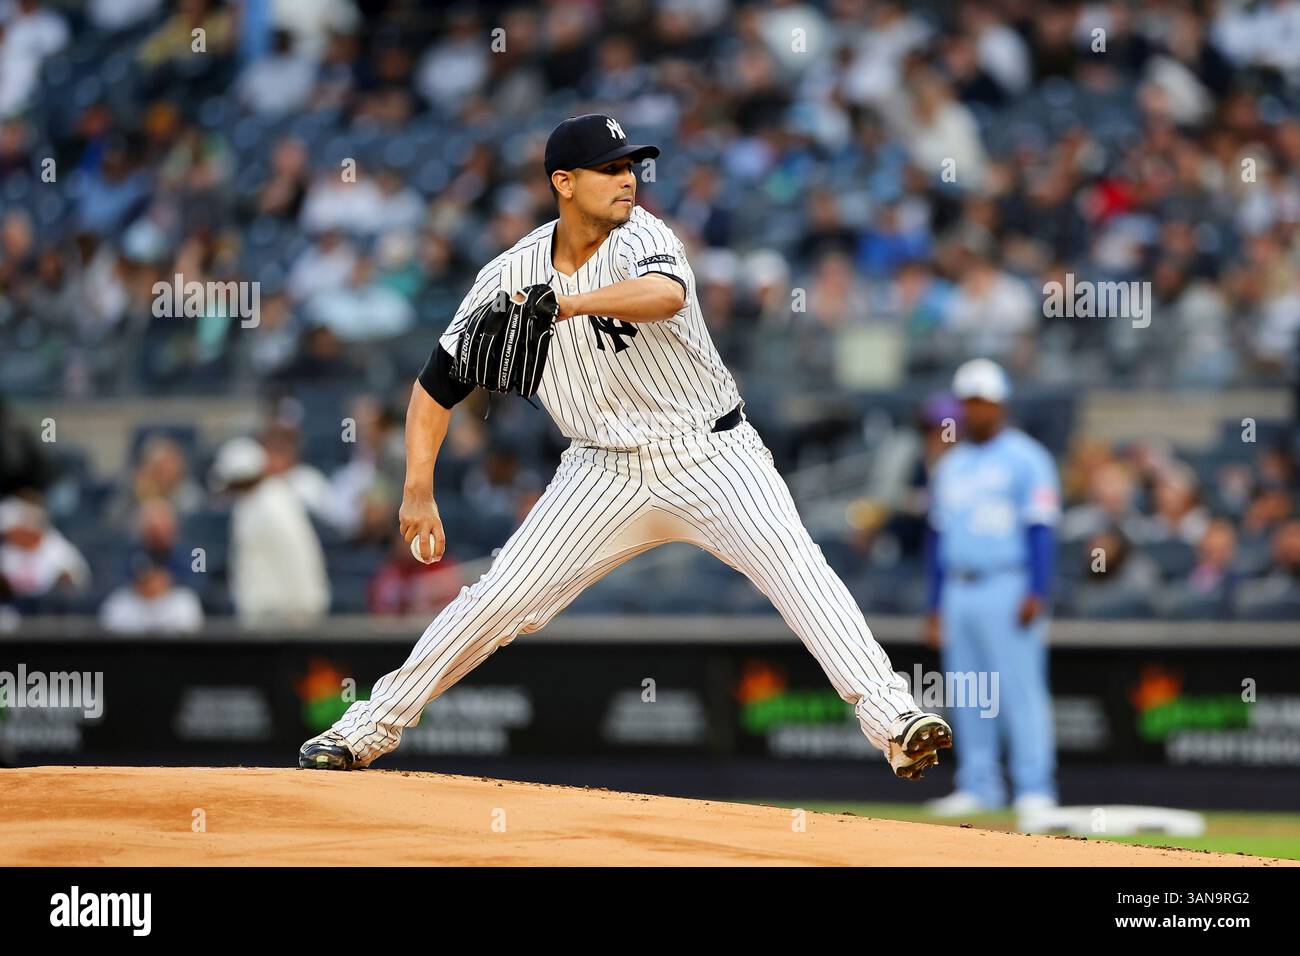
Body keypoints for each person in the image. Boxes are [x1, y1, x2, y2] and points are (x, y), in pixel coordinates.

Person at [298, 114, 953, 779]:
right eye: (610, 168)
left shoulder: (645, 235)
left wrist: (564, 303)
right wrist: (416, 488)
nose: (627, 179)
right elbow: (436, 386)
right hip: (599, 470)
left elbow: (666, 295)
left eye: (631, 165)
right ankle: (364, 731)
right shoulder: (507, 274)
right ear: (564, 182)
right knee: (495, 602)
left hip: (711, 453)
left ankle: (896, 721)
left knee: (799, 571)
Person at [923, 358, 1060, 817]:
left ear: (999, 403)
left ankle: (1034, 786)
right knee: (968, 691)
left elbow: (1041, 529)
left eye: (982, 401)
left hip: (1008, 580)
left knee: (1020, 690)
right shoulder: (951, 465)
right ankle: (979, 784)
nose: (974, 411)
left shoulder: (1027, 458)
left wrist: (1037, 589)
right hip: (960, 587)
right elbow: (938, 537)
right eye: (968, 403)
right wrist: (936, 603)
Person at [211, 436, 330, 626]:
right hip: (260, 614)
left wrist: (305, 608)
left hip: (284, 616)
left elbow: (298, 555)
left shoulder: (275, 501)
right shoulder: (247, 504)